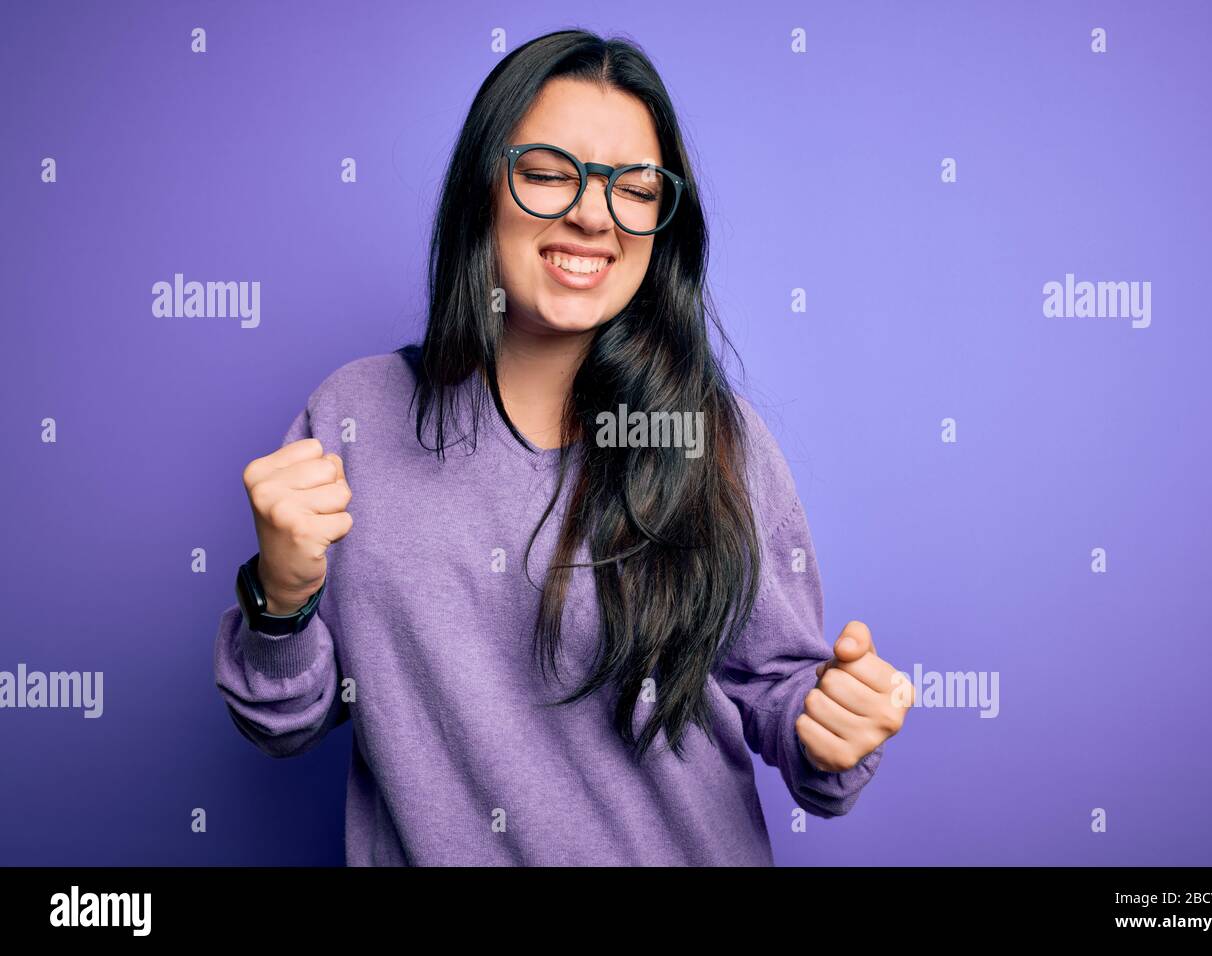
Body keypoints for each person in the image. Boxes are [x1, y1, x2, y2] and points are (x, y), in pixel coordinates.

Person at [214, 29, 912, 866]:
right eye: (548, 174)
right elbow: (280, 723)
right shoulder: (353, 417)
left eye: (635, 187)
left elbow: (783, 693)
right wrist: (280, 597)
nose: (591, 213)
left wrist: (833, 727)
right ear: (484, 191)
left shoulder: (710, 438)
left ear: (661, 222)